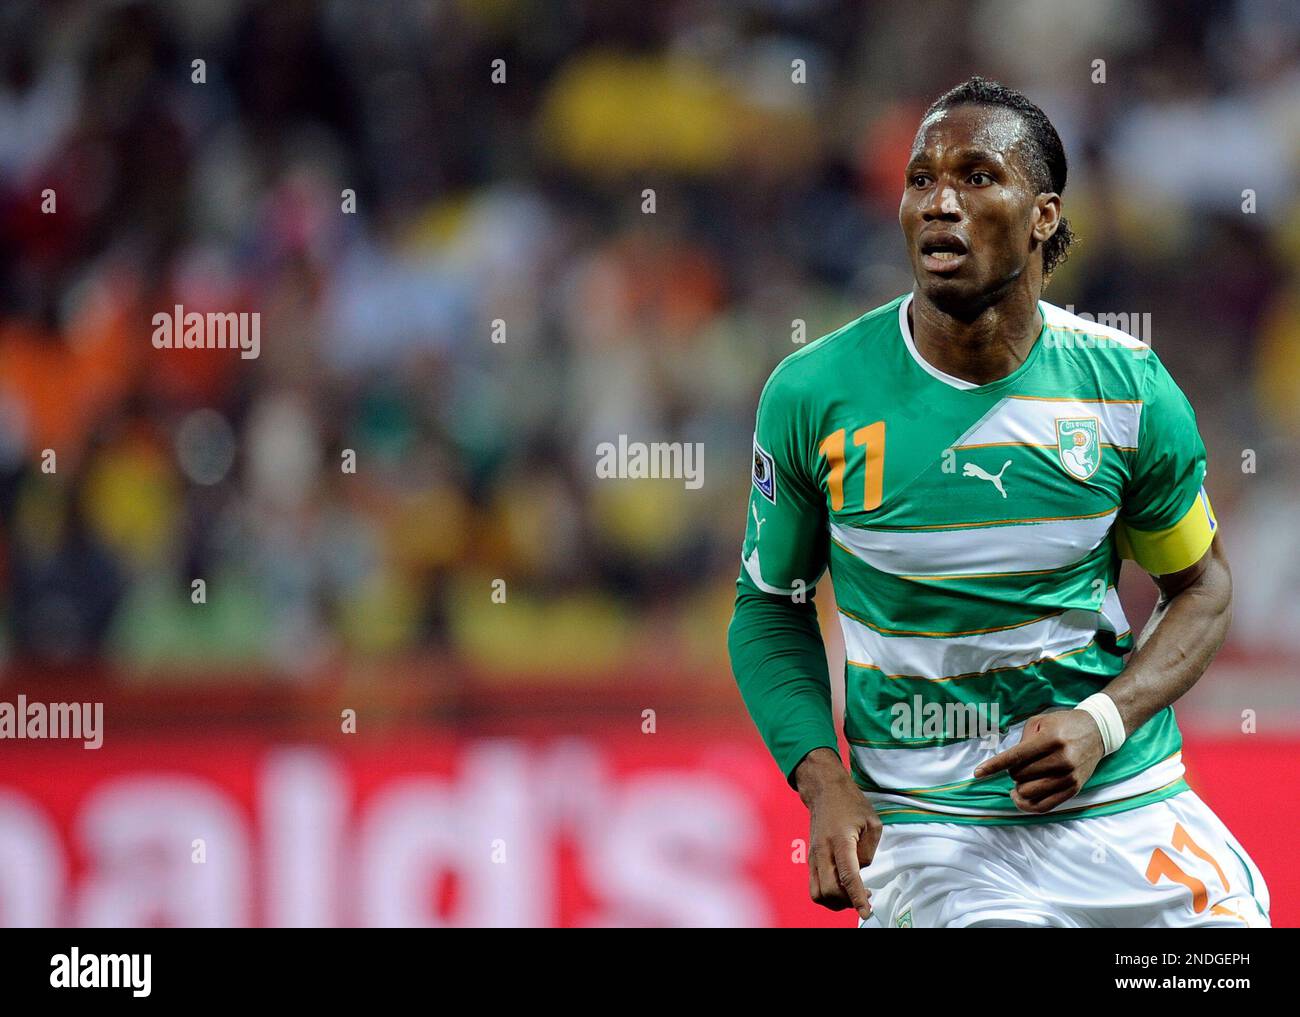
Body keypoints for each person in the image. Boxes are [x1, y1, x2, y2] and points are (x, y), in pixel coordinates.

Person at [727, 76, 1270, 928]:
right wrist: (822, 776)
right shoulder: (814, 392)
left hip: (1123, 807)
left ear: (1043, 214)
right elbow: (768, 607)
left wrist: (1100, 720)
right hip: (930, 825)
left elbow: (1200, 588)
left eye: (977, 176)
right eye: (921, 179)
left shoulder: (1126, 390)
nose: (940, 201)